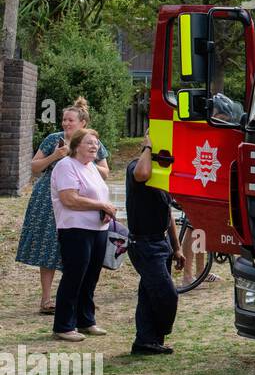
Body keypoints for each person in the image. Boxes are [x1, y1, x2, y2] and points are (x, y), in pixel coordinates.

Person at [16, 99, 109, 314]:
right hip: (48, 199)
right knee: (47, 246)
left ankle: (73, 298)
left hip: (79, 200)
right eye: (64, 120)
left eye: (70, 120)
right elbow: (34, 167)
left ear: (82, 122)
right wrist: (55, 156)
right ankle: (46, 299)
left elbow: (105, 171)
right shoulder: (53, 140)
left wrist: (84, 159)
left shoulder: (92, 142)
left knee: (77, 249)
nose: (66, 124)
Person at [49, 127, 115, 342]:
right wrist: (101, 205)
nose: (94, 146)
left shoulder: (92, 168)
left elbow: (99, 196)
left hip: (98, 229)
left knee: (91, 277)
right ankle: (63, 325)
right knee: (74, 276)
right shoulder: (65, 165)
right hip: (75, 230)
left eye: (96, 143)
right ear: (76, 146)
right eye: (89, 143)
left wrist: (105, 211)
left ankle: (86, 320)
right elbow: (69, 199)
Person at [126, 131, 186, 355]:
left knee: (149, 294)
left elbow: (167, 212)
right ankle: (159, 332)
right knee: (166, 293)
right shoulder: (135, 166)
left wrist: (177, 247)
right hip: (143, 245)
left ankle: (146, 341)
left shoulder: (161, 175)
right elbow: (142, 174)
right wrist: (148, 147)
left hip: (161, 244)